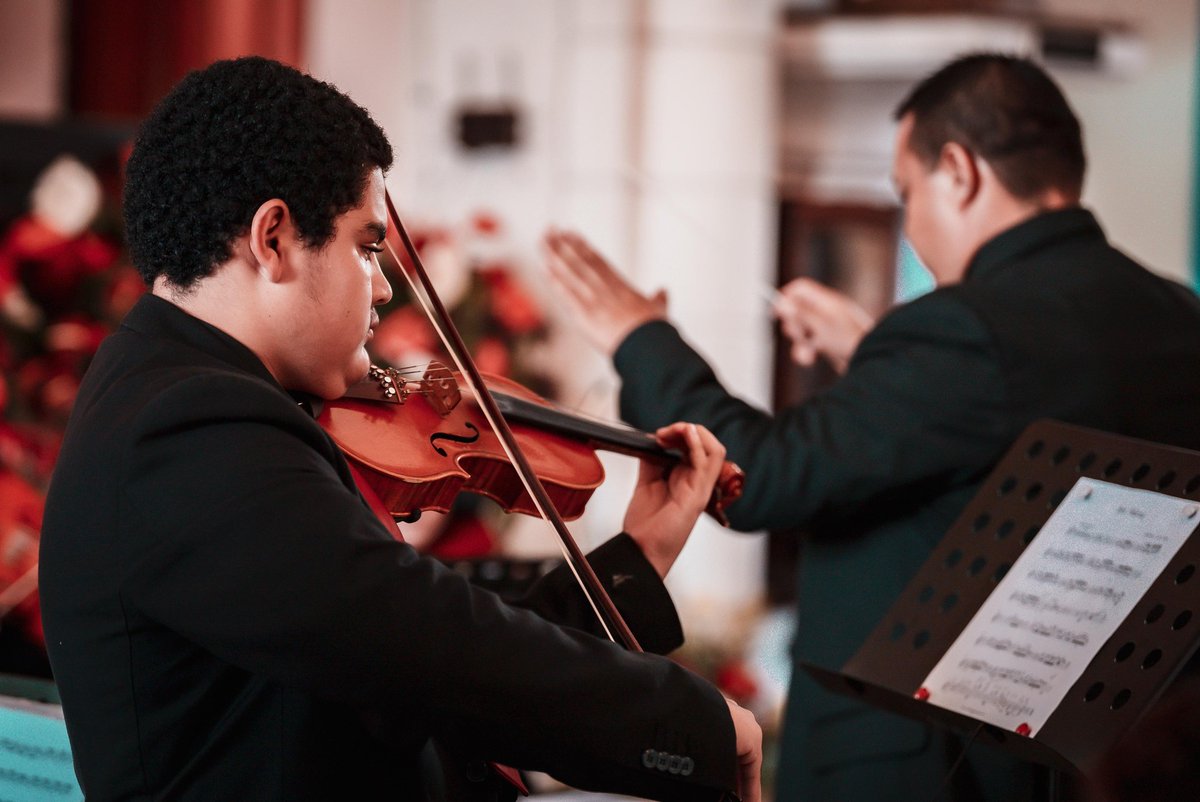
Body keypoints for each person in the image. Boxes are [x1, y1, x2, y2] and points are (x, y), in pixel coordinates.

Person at [38, 56, 762, 802]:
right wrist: (695, 722)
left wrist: (640, 556)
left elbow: (405, 662)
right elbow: (435, 649)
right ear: (274, 239)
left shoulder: (179, 396)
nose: (383, 286)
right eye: (365, 246)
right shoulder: (190, 426)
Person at [545, 53, 1200, 801]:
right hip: (1113, 762)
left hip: (928, 771)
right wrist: (873, 355)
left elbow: (760, 474)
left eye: (906, 192)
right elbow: (1003, 431)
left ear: (959, 171)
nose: (910, 224)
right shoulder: (1178, 316)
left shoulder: (964, 328)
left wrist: (640, 337)